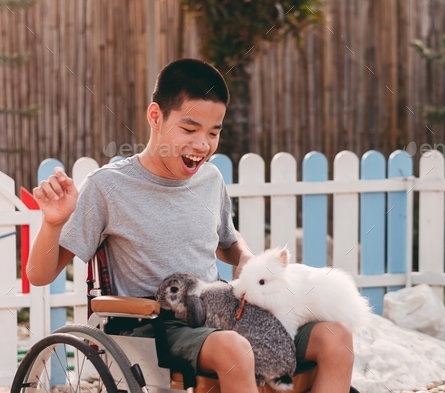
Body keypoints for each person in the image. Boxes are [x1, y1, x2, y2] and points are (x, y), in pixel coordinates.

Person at [28, 58, 355, 392]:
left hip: (218, 312)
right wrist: (53, 223)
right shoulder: (108, 187)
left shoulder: (210, 179)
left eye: (214, 132)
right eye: (189, 129)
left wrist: (244, 258)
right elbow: (39, 275)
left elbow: (227, 241)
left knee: (335, 337)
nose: (203, 145)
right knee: (234, 348)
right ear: (155, 116)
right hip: (153, 325)